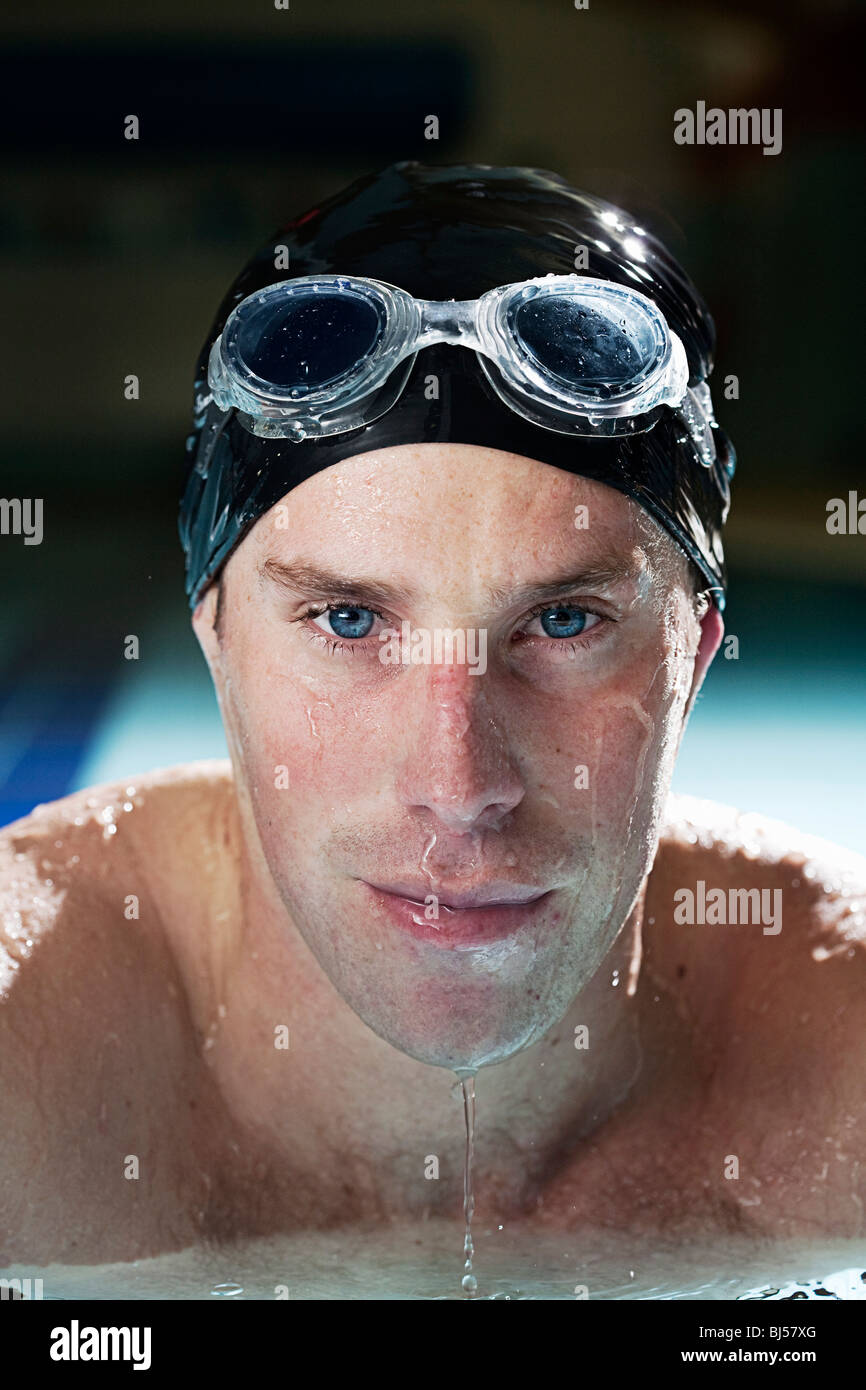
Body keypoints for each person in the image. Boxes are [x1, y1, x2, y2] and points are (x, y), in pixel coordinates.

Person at [1, 162, 864, 1270]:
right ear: (215, 637)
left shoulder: (842, 1103)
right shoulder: (24, 1095)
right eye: (350, 621)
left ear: (687, 661)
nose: (456, 788)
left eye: (559, 621)